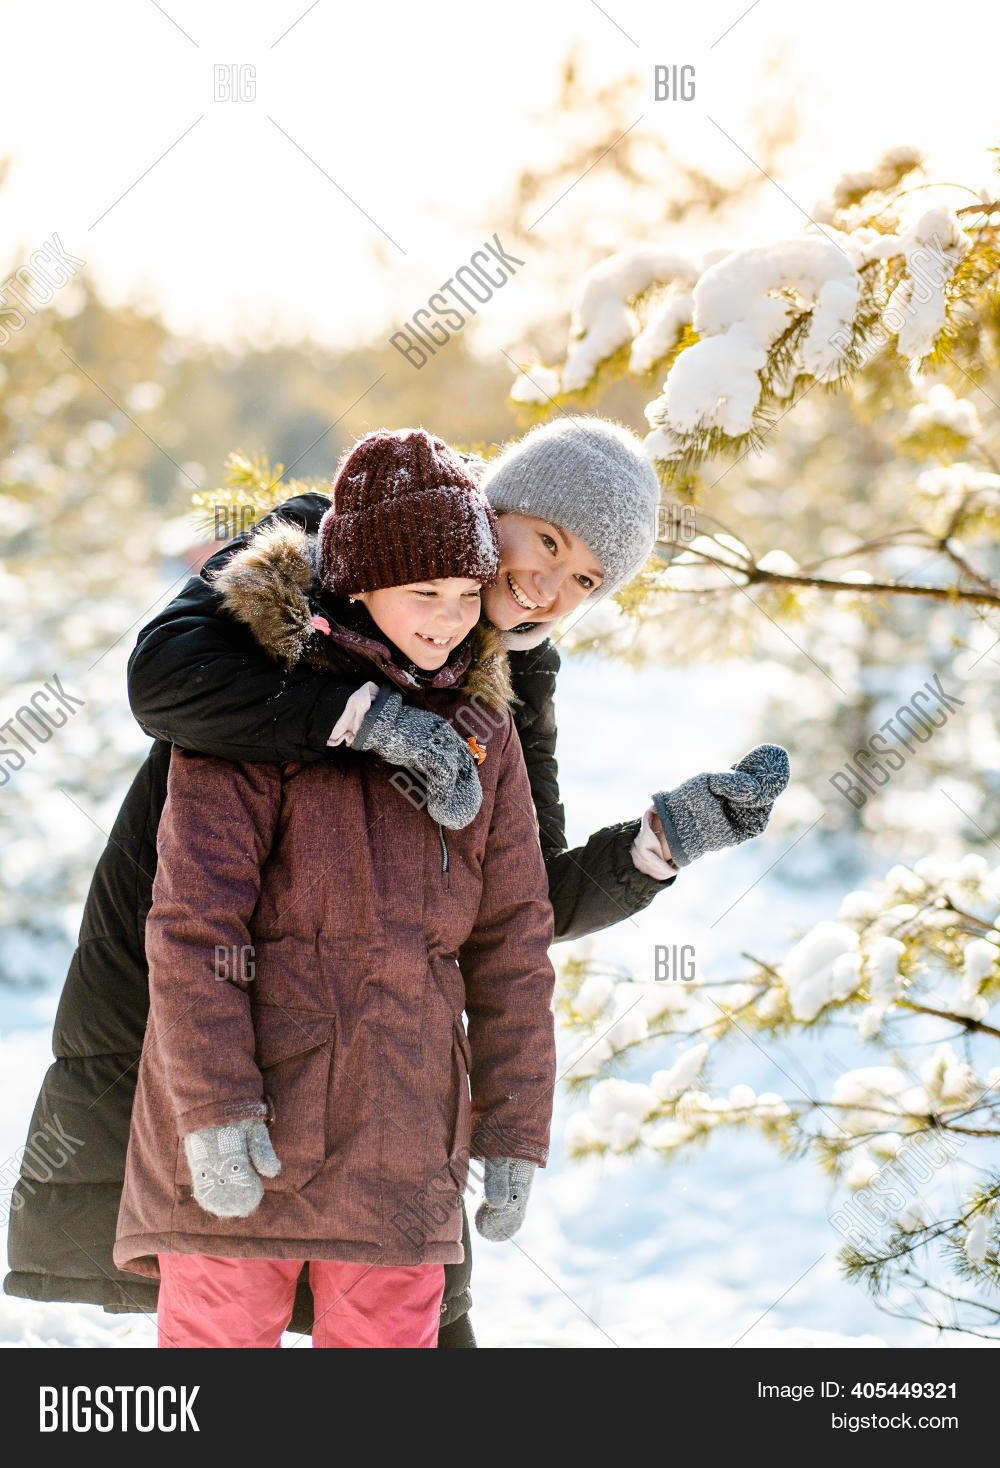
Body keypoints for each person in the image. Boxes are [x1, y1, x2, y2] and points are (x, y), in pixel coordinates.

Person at [5, 416, 789, 1346]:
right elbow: (164, 679)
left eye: (584, 580)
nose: (546, 587)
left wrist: (654, 848)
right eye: (543, 541)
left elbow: (514, 899)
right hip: (191, 985)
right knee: (218, 1290)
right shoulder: (321, 542)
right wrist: (368, 719)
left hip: (380, 1079)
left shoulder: (510, 680)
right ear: (487, 503)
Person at [113, 428, 557, 1348]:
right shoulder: (260, 711)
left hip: (399, 1146)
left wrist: (516, 1126)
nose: (446, 618)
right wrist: (211, 1107)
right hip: (243, 1135)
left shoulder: (483, 733)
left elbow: (513, 942)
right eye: (422, 592)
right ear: (356, 585)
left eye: (468, 593)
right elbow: (194, 928)